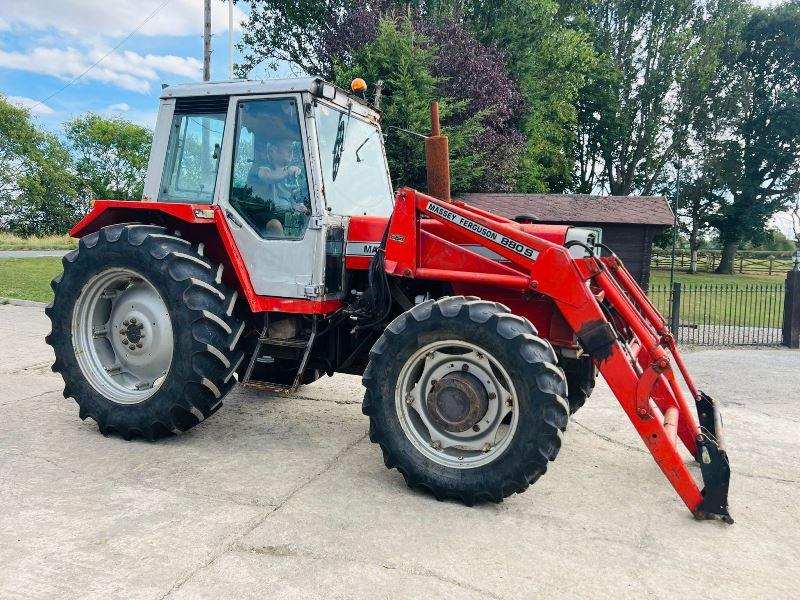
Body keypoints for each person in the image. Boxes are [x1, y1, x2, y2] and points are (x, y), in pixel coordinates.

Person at [248, 136, 309, 237]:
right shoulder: (260, 166)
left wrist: (296, 206)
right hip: (259, 212)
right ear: (273, 150)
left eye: (292, 148)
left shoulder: (288, 174)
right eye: (288, 148)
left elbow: (289, 197)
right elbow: (266, 176)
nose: (291, 151)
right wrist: (287, 173)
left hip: (283, 214)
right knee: (274, 225)